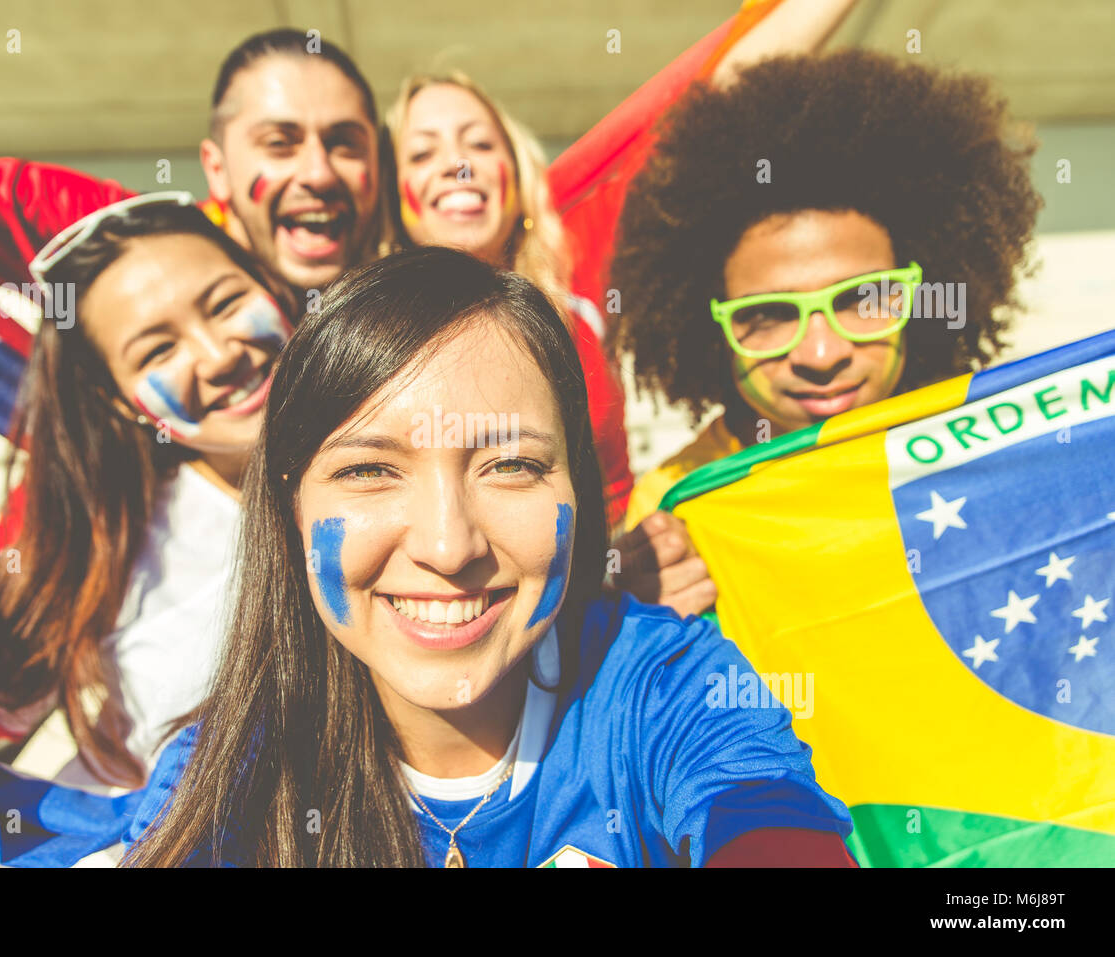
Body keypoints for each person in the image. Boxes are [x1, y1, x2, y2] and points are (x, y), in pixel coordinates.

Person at [120, 246, 855, 867]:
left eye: (511, 466)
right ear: (290, 514)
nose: (449, 546)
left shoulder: (665, 686)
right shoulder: (218, 778)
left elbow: (763, 812)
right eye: (369, 470)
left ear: (579, 485)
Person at [0, 194, 298, 787]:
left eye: (226, 303)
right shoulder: (99, 550)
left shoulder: (433, 438)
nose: (220, 355)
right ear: (121, 401)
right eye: (158, 350)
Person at [611, 49, 1040, 615]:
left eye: (862, 299)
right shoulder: (674, 507)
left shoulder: (1004, 440)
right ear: (704, 329)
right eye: (768, 315)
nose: (821, 352)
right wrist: (627, 619)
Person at [0, 28, 382, 298]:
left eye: (344, 143)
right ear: (216, 168)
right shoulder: (123, 244)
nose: (318, 172)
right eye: (280, 143)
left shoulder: (415, 301)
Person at [383, 70, 636, 526]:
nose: (457, 163)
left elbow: (701, 93)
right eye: (421, 153)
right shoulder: (364, 323)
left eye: (480, 144)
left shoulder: (575, 260)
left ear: (516, 173)